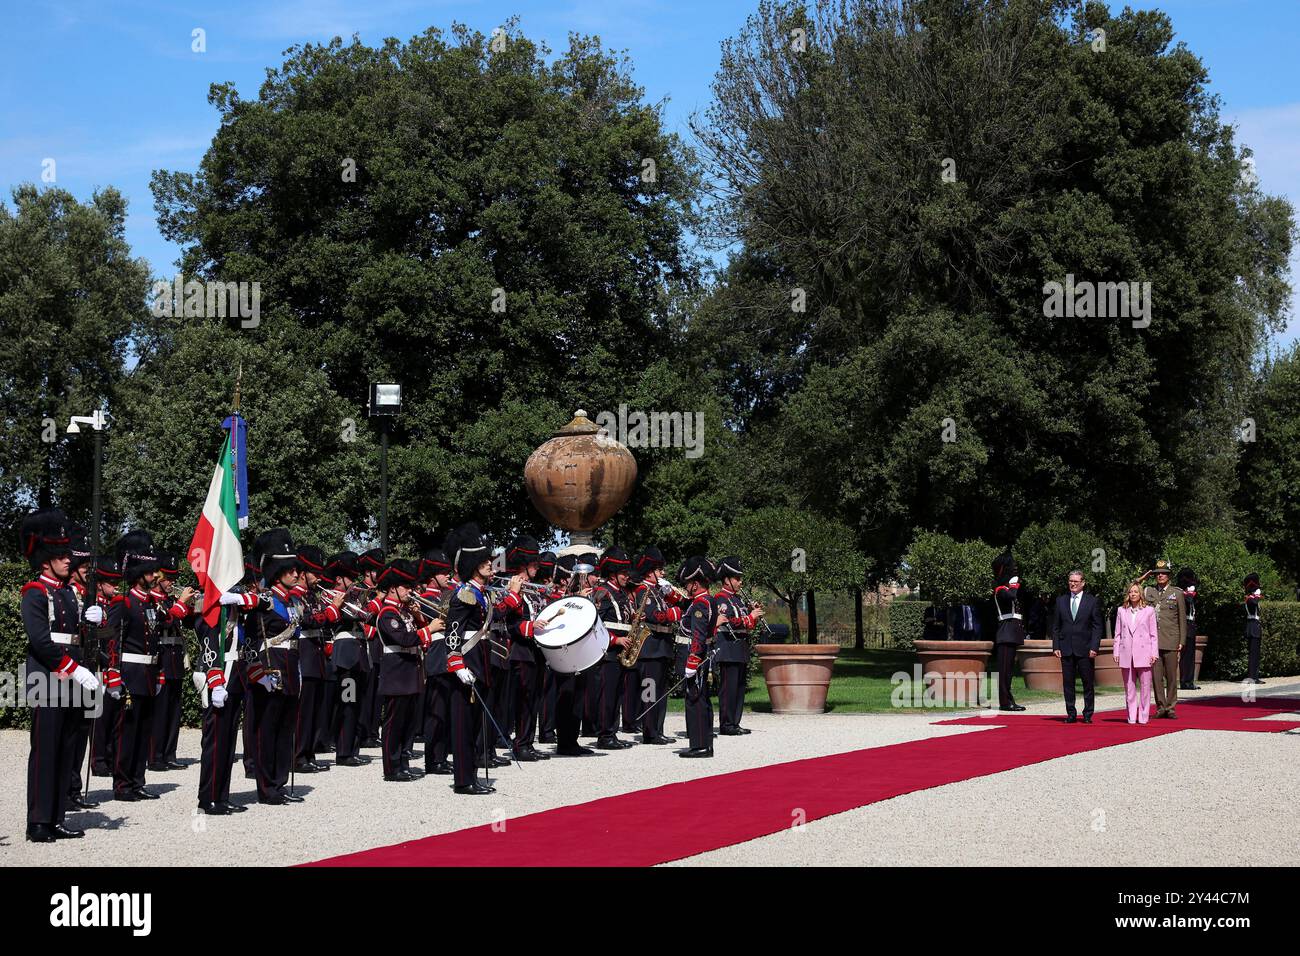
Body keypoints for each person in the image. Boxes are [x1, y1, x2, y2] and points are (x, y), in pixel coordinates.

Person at [20, 508, 99, 842]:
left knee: (67, 750)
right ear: (45, 559)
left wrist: (94, 622)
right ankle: (38, 821)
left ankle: (56, 816)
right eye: (60, 555)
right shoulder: (35, 591)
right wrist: (73, 669)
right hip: (49, 680)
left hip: (72, 680)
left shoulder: (68, 593)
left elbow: (74, 636)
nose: (68, 560)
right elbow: (40, 640)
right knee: (46, 750)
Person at [244, 529, 305, 805]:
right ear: (277, 571)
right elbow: (251, 639)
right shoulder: (265, 601)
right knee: (266, 730)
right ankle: (266, 786)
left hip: (291, 667)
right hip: (271, 668)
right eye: (290, 570)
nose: (295, 574)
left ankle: (279, 782)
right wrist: (257, 671)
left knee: (285, 730)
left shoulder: (293, 601)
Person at [109, 531, 165, 801]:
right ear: (138, 572)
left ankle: (137, 780)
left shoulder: (150, 603)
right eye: (150, 572)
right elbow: (113, 643)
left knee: (143, 732)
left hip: (148, 674)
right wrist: (113, 674)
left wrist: (160, 672)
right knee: (126, 733)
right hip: (130, 674)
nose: (154, 576)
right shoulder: (123, 602)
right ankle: (122, 784)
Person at [444, 524, 497, 795]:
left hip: (482, 660)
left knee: (476, 724)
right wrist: (457, 665)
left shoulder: (482, 593)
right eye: (485, 561)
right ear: (474, 565)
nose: (490, 564)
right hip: (468, 661)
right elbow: (453, 632)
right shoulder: (464, 593)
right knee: (464, 725)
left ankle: (473, 775)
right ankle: (464, 780)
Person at [630, 547, 682, 745]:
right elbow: (655, 615)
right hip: (650, 648)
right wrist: (675, 614)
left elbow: (680, 602)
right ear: (650, 571)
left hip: (661, 646)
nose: (663, 573)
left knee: (660, 691)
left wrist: (673, 599)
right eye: (659, 570)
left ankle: (658, 730)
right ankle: (649, 732)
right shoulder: (643, 590)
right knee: (649, 691)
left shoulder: (658, 591)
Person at [148, 552, 194, 772]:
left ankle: (169, 752)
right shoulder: (151, 600)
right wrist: (182, 605)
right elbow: (162, 622)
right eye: (168, 578)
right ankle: (155, 755)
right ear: (157, 577)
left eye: (173, 578)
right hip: (160, 658)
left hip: (174, 657)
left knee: (174, 709)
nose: (171, 583)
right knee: (160, 709)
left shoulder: (170, 600)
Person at [713, 556, 763, 735]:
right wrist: (750, 617)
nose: (740, 582)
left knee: (739, 688)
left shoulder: (738, 600)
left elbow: (746, 625)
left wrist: (753, 616)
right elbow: (730, 622)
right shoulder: (721, 599)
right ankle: (726, 724)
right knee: (729, 688)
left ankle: (735, 722)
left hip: (740, 647)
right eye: (737, 579)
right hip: (728, 647)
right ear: (727, 580)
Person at [591, 548, 635, 750]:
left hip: (622, 651)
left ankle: (612, 732)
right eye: (623, 572)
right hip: (608, 651)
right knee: (607, 695)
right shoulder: (602, 593)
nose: (627, 576)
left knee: (617, 694)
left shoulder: (621, 593)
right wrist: (615, 640)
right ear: (612, 573)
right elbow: (596, 624)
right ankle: (604, 735)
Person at [416, 549, 455, 775]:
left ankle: (443, 755)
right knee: (436, 712)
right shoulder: (427, 598)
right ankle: (433, 759)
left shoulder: (447, 593)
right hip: (437, 654)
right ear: (433, 575)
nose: (448, 576)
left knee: (446, 711)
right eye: (443, 572)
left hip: (448, 653)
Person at [1049, 570, 1103, 723]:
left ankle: (1087, 714)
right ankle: (1071, 714)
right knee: (1068, 683)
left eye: (1076, 581)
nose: (1072, 584)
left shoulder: (1091, 601)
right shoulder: (1061, 600)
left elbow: (1097, 626)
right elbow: (1056, 626)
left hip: (1085, 649)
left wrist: (1094, 647)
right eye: (1070, 581)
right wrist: (1056, 646)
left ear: (1083, 583)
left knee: (1087, 683)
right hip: (1066, 648)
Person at [678, 557, 717, 757]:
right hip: (702, 656)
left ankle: (700, 745)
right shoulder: (705, 600)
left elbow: (698, 635)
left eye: (687, 584)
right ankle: (704, 743)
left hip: (696, 657)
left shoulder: (701, 604)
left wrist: (692, 660)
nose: (686, 587)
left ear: (695, 583)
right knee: (701, 699)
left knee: (695, 701)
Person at [1140, 559, 1186, 719]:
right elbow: (1130, 592)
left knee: (1172, 676)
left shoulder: (1177, 593)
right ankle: (1160, 707)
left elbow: (1182, 619)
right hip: (1153, 641)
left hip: (1171, 639)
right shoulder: (1148, 591)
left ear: (1169, 576)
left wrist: (1182, 640)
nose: (1160, 576)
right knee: (1156, 677)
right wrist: (1140, 579)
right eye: (1157, 573)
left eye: (1163, 573)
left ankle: (1171, 707)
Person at [1113, 584, 1159, 724]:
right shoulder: (1121, 611)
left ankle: (1143, 716)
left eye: (1135, 591)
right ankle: (1131, 716)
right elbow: (1118, 633)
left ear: (1140, 594)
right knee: (1129, 686)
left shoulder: (1149, 611)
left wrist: (1154, 653)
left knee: (1145, 686)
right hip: (1126, 652)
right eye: (1130, 591)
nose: (1133, 594)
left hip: (1144, 652)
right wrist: (1116, 651)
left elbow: (1153, 635)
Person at [991, 552, 1026, 712]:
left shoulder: (1006, 587)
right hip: (1006, 630)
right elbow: (1011, 596)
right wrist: (1014, 585)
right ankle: (1005, 702)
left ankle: (1008, 699)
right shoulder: (1000, 589)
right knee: (1004, 670)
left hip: (1012, 630)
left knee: (1009, 670)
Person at [1177, 568, 1201, 690]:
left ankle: (1189, 680)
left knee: (1190, 655)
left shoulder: (1188, 596)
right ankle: (1185, 681)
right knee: (1186, 656)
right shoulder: (1183, 596)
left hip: (1190, 625)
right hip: (1185, 625)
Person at [1243, 573, 1264, 684]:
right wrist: (1256, 593)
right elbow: (1255, 602)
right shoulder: (1250, 599)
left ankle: (1254, 676)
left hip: (1254, 626)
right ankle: (1252, 677)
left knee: (1255, 654)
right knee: (1253, 654)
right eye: (1257, 589)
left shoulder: (1251, 599)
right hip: (1253, 626)